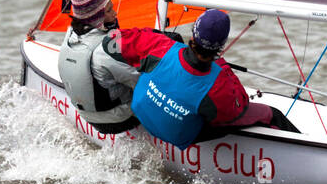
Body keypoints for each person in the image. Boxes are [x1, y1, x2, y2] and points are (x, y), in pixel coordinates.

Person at [105, 8, 298, 148]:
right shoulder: (218, 84)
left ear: (193, 34)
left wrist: (159, 35)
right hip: (177, 136)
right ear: (220, 46)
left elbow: (110, 41)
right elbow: (239, 108)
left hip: (142, 114)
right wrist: (222, 66)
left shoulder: (160, 46)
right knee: (273, 114)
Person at [57, 0, 141, 132]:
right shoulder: (105, 50)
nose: (115, 13)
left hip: (85, 116)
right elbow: (139, 82)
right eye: (109, 10)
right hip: (119, 119)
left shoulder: (70, 35)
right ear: (96, 18)